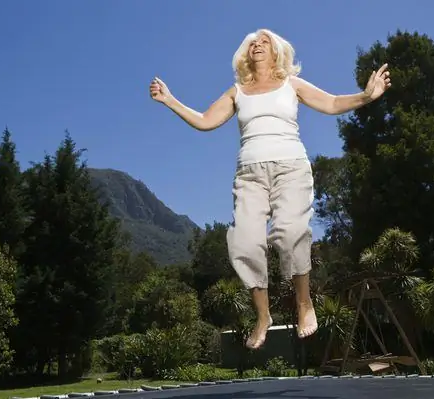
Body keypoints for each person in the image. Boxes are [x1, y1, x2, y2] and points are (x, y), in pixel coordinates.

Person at [149, 28, 391, 349]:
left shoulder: (292, 84)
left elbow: (331, 103)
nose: (257, 45)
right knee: (245, 244)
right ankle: (264, 316)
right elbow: (206, 120)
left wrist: (365, 96)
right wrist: (170, 100)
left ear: (276, 51)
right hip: (250, 175)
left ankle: (304, 303)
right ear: (245, 54)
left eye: (264, 42)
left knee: (290, 233)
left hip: (291, 167)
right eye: (252, 43)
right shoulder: (237, 91)